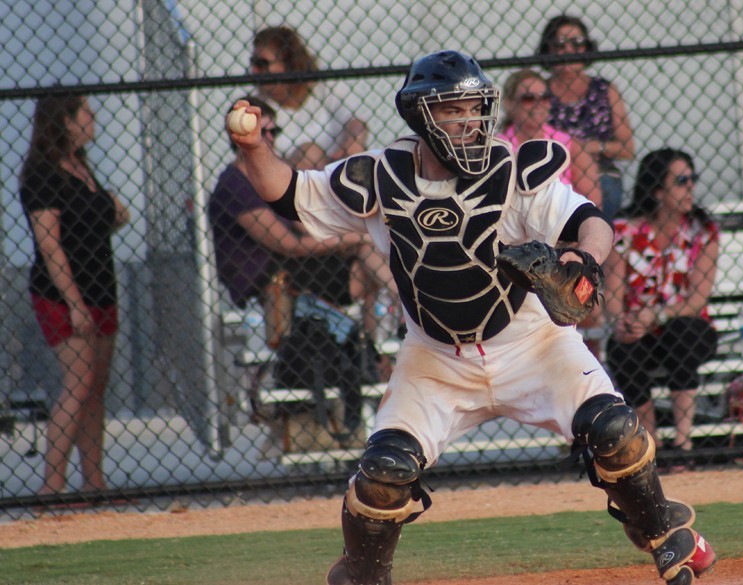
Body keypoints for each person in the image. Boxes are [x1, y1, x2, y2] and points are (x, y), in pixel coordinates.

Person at [228, 50, 716, 585]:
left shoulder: (511, 170)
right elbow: (289, 194)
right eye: (453, 110)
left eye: (476, 109)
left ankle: (662, 532)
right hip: (435, 357)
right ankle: (362, 574)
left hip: (531, 341)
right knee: (385, 473)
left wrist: (585, 257)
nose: (470, 122)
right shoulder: (381, 175)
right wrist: (253, 148)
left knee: (615, 430)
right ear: (420, 116)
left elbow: (589, 218)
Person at [209, 96, 389, 447]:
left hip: (297, 268)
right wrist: (352, 237)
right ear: (239, 135)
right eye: (262, 131)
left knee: (365, 252)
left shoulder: (271, 174)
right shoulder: (235, 184)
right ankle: (402, 314)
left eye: (274, 131)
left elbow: (301, 231)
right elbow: (287, 245)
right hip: (273, 279)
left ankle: (387, 332)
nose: (270, 138)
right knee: (364, 249)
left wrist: (349, 235)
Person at [19, 95, 131, 495]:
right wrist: (75, 305)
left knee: (96, 386)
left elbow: (102, 221)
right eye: (85, 111)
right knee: (79, 383)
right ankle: (51, 486)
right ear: (65, 121)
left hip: (101, 287)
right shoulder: (43, 174)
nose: (93, 117)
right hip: (63, 294)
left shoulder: (82, 168)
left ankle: (93, 482)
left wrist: (113, 210)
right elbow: (50, 245)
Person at [604, 148, 720, 462]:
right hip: (640, 331)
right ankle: (650, 447)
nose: (691, 187)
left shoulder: (703, 231)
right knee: (623, 348)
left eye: (692, 179)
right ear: (657, 190)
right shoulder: (623, 231)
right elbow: (612, 298)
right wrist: (623, 323)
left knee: (682, 333)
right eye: (682, 181)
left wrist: (656, 314)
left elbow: (697, 300)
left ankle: (683, 444)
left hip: (687, 327)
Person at [537, 14, 636, 218]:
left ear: (587, 48)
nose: (569, 50)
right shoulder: (538, 93)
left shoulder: (605, 90)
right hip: (553, 174)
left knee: (603, 190)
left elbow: (627, 149)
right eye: (560, 44)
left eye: (577, 43)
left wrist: (586, 148)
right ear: (548, 50)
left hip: (600, 173)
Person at [251, 25, 368, 170]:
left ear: (288, 64)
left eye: (261, 64)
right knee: (309, 152)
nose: (254, 70)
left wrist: (353, 142)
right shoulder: (259, 107)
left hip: (338, 172)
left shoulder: (324, 86)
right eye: (253, 63)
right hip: (293, 179)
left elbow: (356, 123)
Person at [498, 68, 601, 206]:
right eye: (528, 98)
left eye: (545, 97)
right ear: (509, 104)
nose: (539, 104)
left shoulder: (568, 144)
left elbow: (594, 201)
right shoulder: (498, 148)